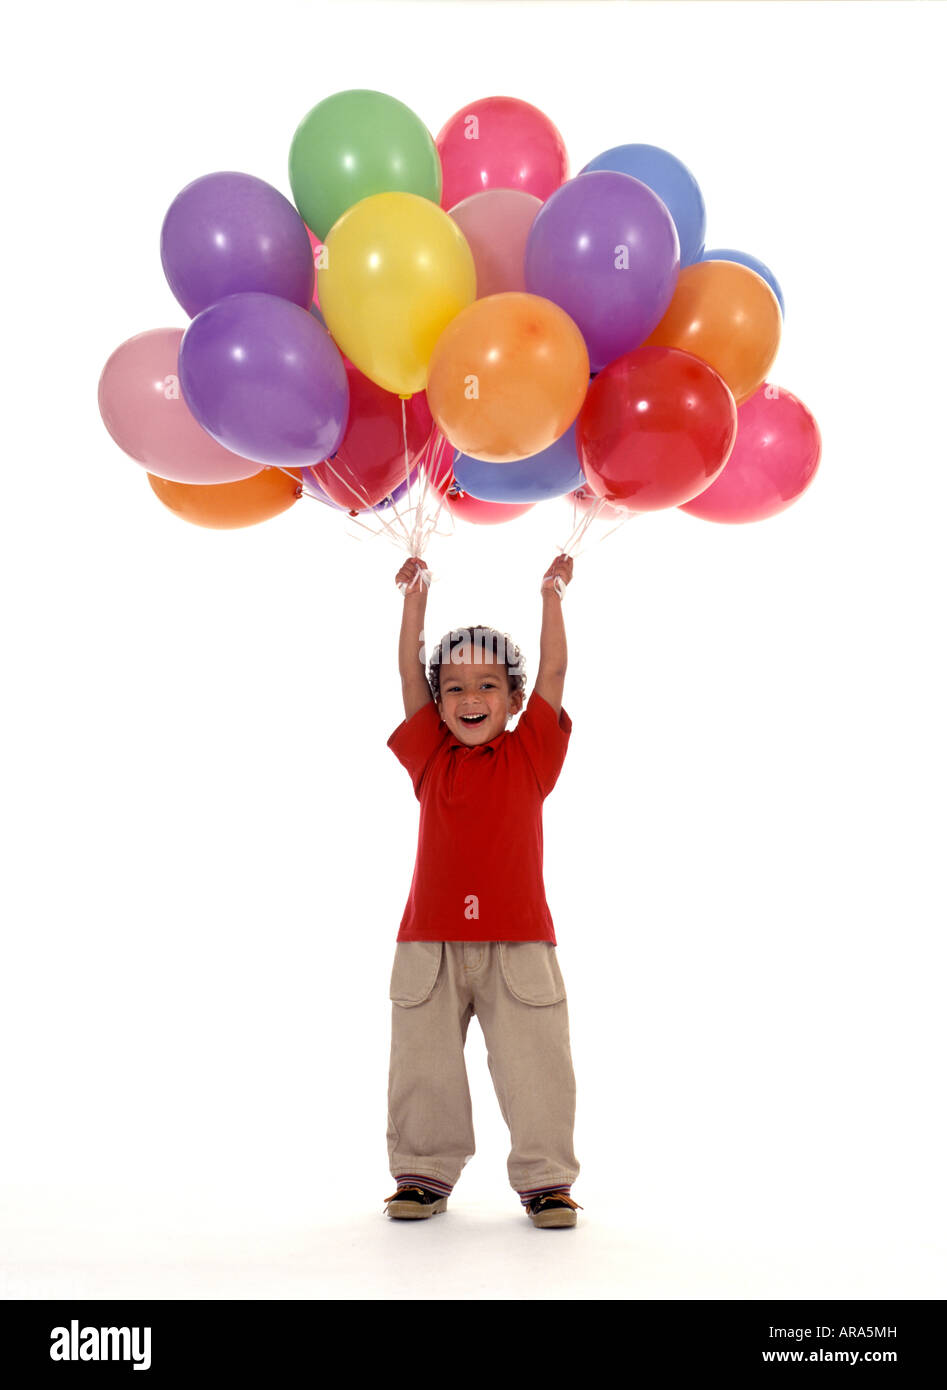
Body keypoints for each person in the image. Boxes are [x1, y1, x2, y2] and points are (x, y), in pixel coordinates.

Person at [383, 552, 583, 1229]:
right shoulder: (429, 757)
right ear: (437, 706)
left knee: (536, 1067)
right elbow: (408, 673)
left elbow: (554, 669)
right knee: (423, 1065)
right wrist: (415, 600)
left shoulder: (531, 753)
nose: (470, 699)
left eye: (488, 686)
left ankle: (546, 1181)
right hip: (429, 943)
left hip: (518, 941)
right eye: (455, 689)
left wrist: (550, 595)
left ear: (514, 699)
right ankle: (422, 1175)